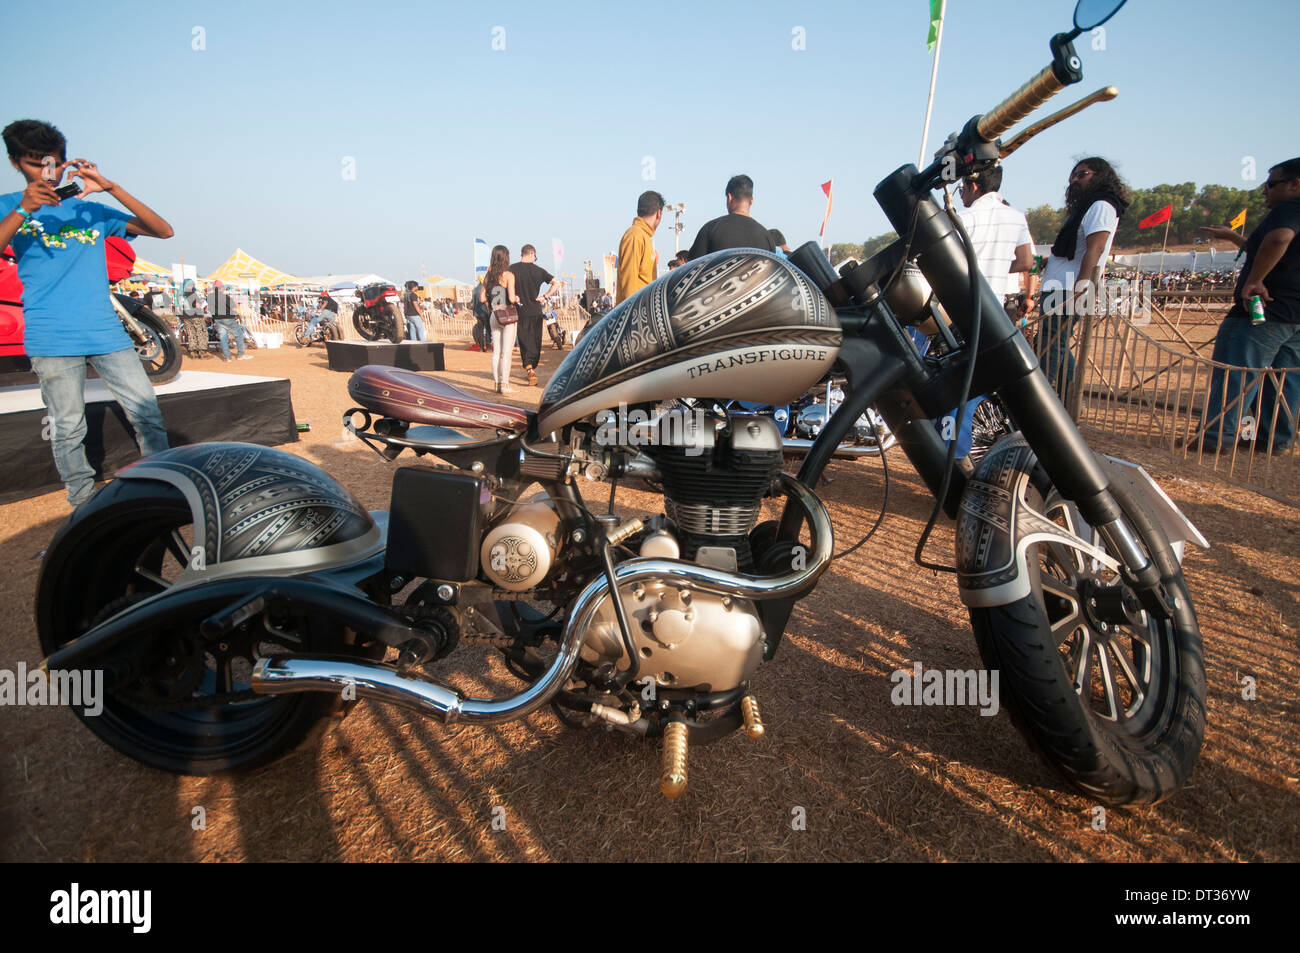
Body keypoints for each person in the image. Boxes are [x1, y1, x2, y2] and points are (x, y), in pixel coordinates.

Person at [0, 118, 172, 508]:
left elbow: (163, 231)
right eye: (36, 164)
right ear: (15, 164)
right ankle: (83, 508)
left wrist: (111, 188)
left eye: (56, 163)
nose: (49, 172)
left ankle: (162, 491)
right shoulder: (8, 207)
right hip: (51, 336)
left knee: (147, 414)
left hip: (106, 332)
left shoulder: (91, 211)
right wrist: (24, 210)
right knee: (67, 427)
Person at [1196, 157, 1300, 454]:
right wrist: (1232, 237)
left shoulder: (1289, 209)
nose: (1264, 191)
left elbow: (1280, 239)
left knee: (1236, 370)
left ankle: (1216, 436)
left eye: (1271, 184)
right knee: (1284, 379)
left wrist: (1255, 280)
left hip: (1263, 309)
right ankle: (1274, 440)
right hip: (1294, 313)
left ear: (1295, 185)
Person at [1038, 156, 1129, 399]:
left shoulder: (1101, 205)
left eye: (1082, 174)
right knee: (1056, 343)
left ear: (1100, 176)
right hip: (1061, 285)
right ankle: (1068, 400)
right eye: (1073, 175)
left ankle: (1044, 400)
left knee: (1050, 344)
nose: (1074, 180)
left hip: (1068, 289)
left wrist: (1081, 289)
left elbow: (1095, 249)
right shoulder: (1089, 206)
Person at [687, 174, 776, 259]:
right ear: (751, 200)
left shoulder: (711, 228)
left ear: (729, 198)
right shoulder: (766, 236)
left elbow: (693, 267)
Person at [508, 244, 561, 386]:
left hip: (520, 311)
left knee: (524, 341)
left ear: (522, 253)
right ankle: (532, 367)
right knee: (535, 341)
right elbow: (556, 283)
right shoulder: (539, 271)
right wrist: (546, 296)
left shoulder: (511, 270)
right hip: (536, 311)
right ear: (532, 254)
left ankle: (529, 368)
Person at [479, 244, 519, 393]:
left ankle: (496, 384)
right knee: (507, 352)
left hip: (494, 315)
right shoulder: (509, 275)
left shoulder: (488, 276)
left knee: (496, 352)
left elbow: (482, 297)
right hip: (507, 316)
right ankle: (505, 385)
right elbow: (511, 298)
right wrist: (516, 298)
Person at [616, 190, 664, 303]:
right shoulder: (635, 236)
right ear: (659, 213)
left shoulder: (644, 237)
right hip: (635, 313)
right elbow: (629, 282)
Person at [208, 280, 248, 361]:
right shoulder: (225, 297)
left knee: (223, 337)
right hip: (227, 318)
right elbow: (234, 308)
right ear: (222, 288)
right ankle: (240, 354)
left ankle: (227, 357)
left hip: (217, 319)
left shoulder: (210, 297)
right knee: (239, 334)